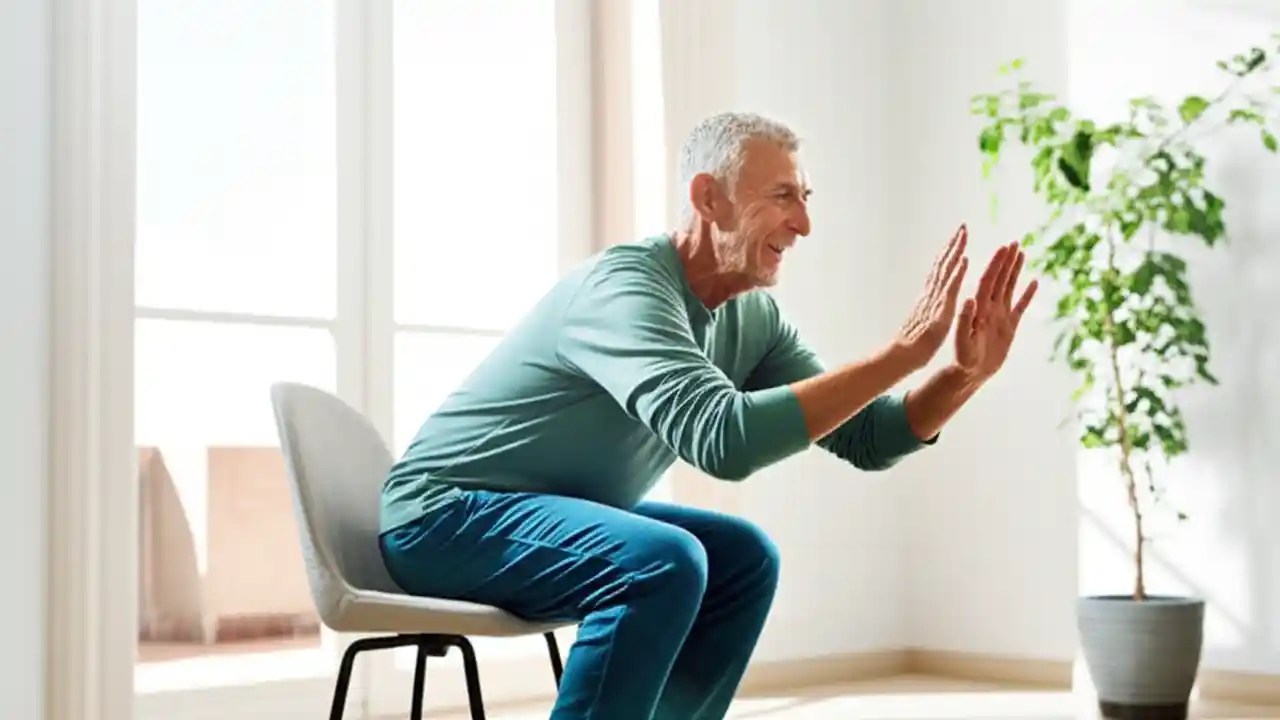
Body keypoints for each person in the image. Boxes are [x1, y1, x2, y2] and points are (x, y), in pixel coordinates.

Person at [378, 111, 1038, 719]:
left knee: (741, 558)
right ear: (707, 198)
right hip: (444, 516)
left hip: (547, 513)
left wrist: (962, 374)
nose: (803, 224)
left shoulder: (752, 318)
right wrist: (900, 355)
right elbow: (724, 441)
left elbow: (869, 437)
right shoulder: (626, 290)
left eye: (806, 199)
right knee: (661, 562)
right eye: (782, 196)